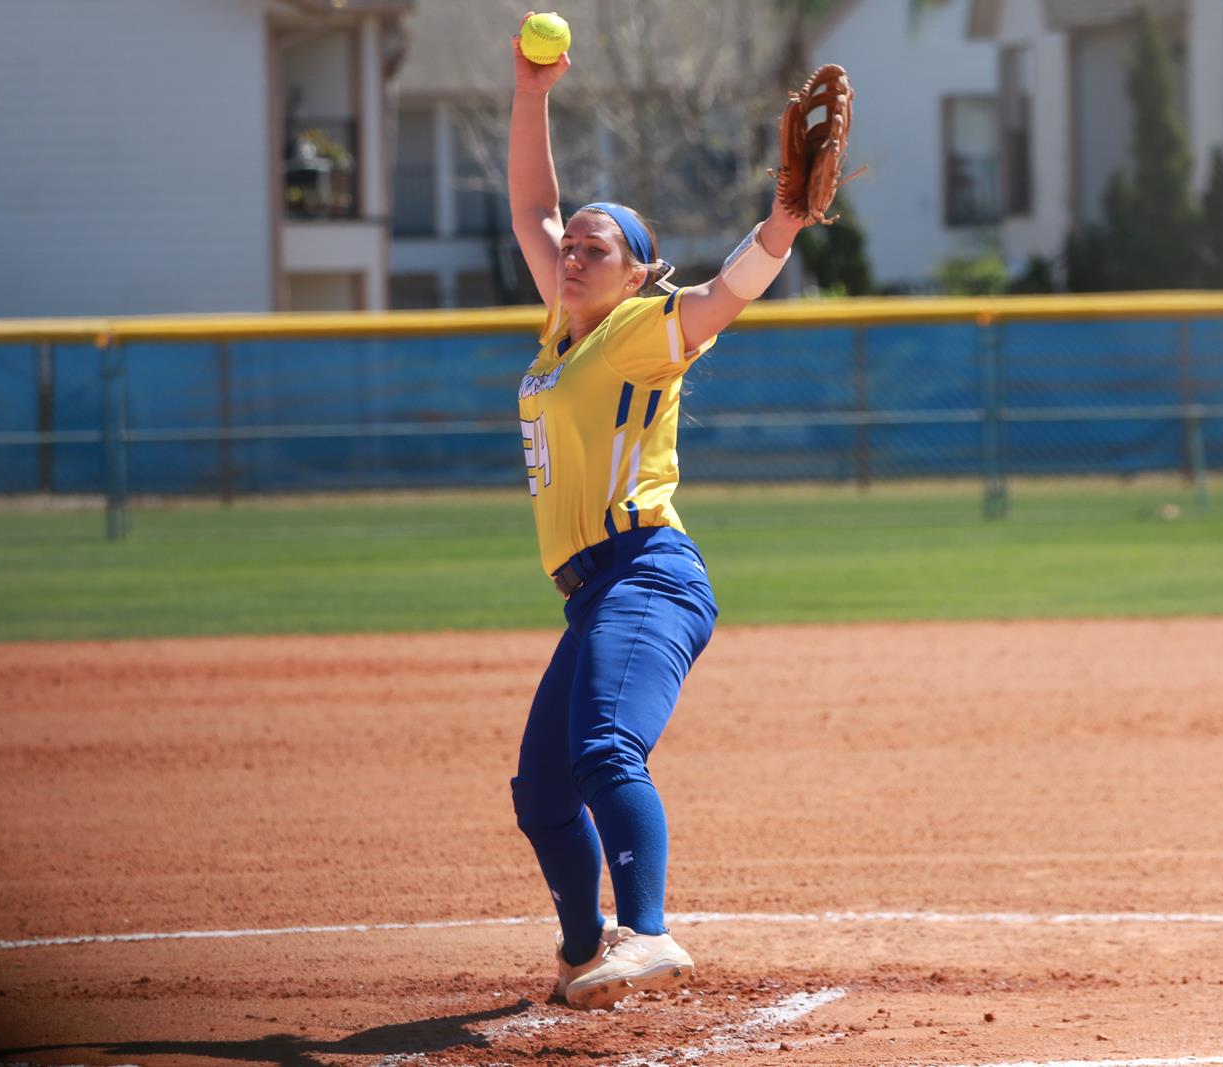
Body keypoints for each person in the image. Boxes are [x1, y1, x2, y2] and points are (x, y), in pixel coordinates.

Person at [506, 15, 815, 1010]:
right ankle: (582, 945)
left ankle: (648, 930)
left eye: (596, 248)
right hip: (592, 593)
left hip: (648, 573)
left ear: (638, 272)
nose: (573, 254)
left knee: (603, 747)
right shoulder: (562, 331)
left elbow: (728, 290)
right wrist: (530, 93)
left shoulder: (644, 327)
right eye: (571, 246)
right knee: (541, 791)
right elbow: (530, 204)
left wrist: (783, 223)